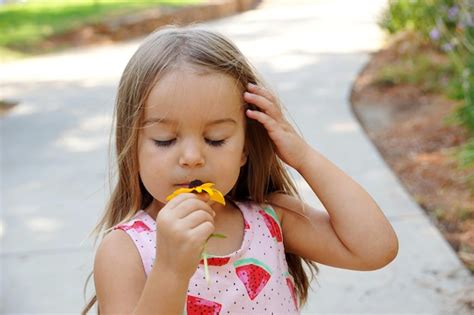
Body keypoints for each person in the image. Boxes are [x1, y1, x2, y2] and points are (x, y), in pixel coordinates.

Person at [81, 25, 398, 314]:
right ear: (131, 147)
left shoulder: (269, 219)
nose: (192, 157)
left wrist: (303, 156)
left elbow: (375, 249)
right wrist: (170, 269)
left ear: (245, 148)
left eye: (215, 139)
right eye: (164, 140)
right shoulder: (125, 251)